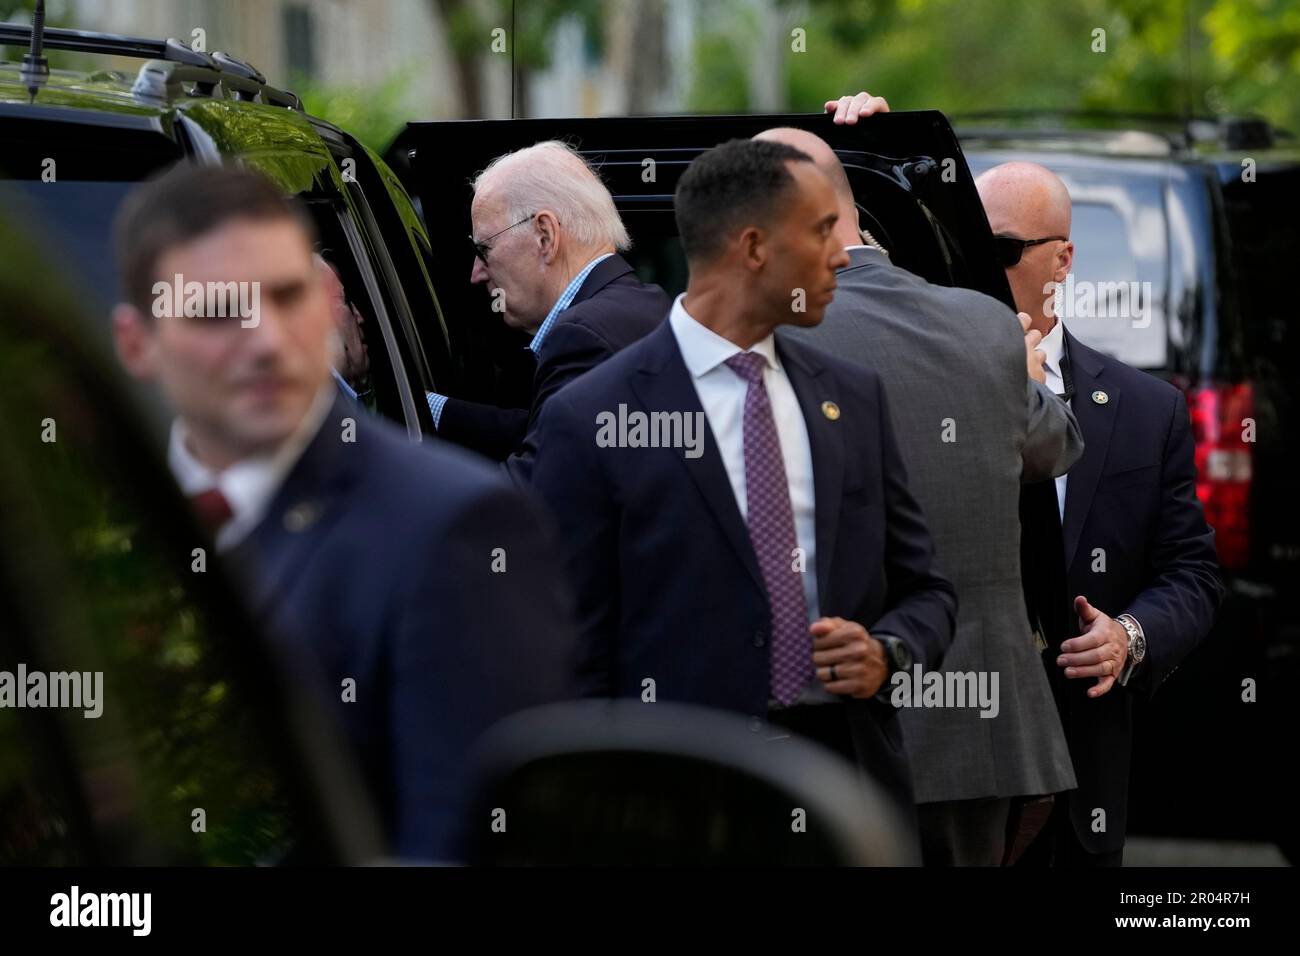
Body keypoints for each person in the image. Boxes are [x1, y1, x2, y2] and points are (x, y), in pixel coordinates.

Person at [110, 163, 577, 860]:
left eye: (289, 297)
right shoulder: (88, 518)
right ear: (136, 343)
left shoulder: (453, 529)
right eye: (218, 309)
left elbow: (472, 845)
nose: (266, 340)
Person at [528, 138, 957, 834]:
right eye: (822, 231)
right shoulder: (591, 417)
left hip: (846, 796)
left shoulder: (852, 398)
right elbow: (566, 650)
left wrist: (887, 652)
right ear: (754, 246)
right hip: (678, 813)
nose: (843, 255)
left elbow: (928, 590)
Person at [771, 122, 1084, 866]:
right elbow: (1058, 444)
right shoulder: (983, 324)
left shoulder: (771, 336)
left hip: (830, 736)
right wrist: (1030, 379)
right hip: (984, 731)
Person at [975, 160, 1224, 865]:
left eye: (1001, 249)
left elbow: (1193, 575)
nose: (980, 267)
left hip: (1077, 779)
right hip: (952, 771)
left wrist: (1128, 637)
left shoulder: (1148, 410)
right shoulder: (914, 389)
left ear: (1063, 259)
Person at [425, 140, 670, 475]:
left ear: (544, 236)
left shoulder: (582, 338)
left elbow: (534, 494)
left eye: (484, 249)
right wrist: (432, 410)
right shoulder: (644, 303)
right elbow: (545, 433)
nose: (476, 273)